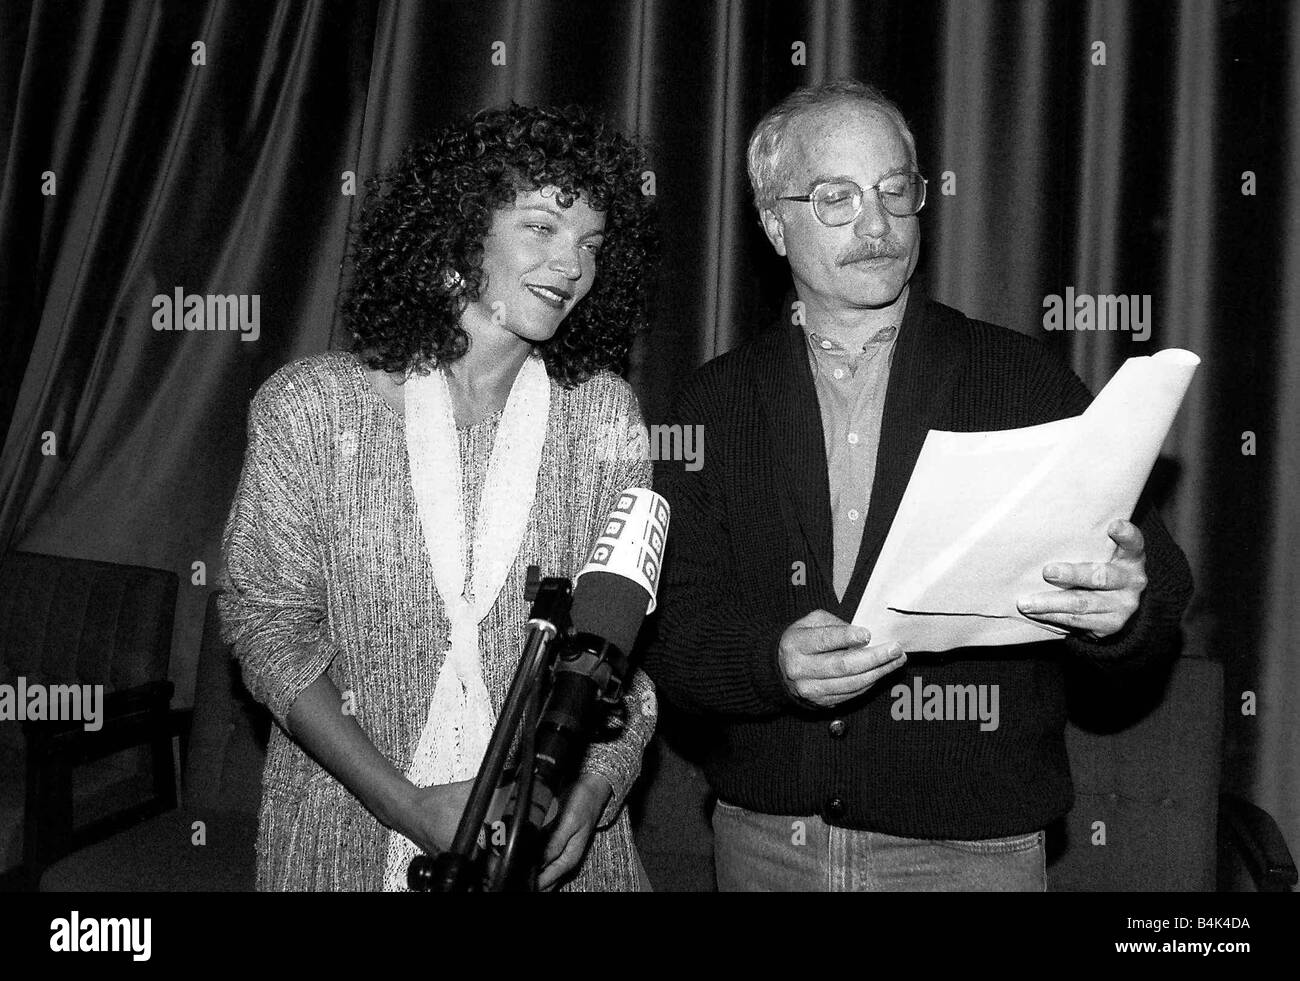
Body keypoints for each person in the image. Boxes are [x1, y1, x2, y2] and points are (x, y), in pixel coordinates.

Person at [645, 79, 1194, 891]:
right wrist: (771, 666)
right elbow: (670, 636)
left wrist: (1121, 610)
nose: (877, 224)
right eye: (836, 198)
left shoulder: (1019, 379)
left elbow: (1156, 589)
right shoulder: (711, 404)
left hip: (971, 852)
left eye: (895, 190)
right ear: (772, 222)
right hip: (767, 847)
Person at [218, 103, 658, 891]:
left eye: (592, 244)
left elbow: (619, 661)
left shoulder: (605, 416)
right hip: (344, 838)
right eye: (542, 228)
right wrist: (408, 803)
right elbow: (269, 635)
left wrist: (590, 790)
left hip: (551, 853)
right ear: (458, 235)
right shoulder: (310, 409)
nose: (573, 265)